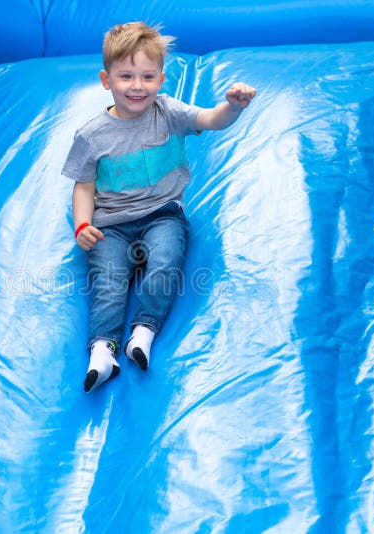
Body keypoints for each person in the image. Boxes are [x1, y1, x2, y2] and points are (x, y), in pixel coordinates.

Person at [62, 21, 256, 392]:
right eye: (126, 76)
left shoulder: (167, 113)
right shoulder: (92, 135)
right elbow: (83, 186)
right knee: (109, 279)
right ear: (106, 80)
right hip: (112, 222)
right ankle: (103, 350)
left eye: (147, 77)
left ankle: (142, 333)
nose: (137, 86)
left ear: (161, 79)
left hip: (162, 213)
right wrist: (83, 225)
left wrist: (233, 106)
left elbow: (212, 120)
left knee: (165, 260)